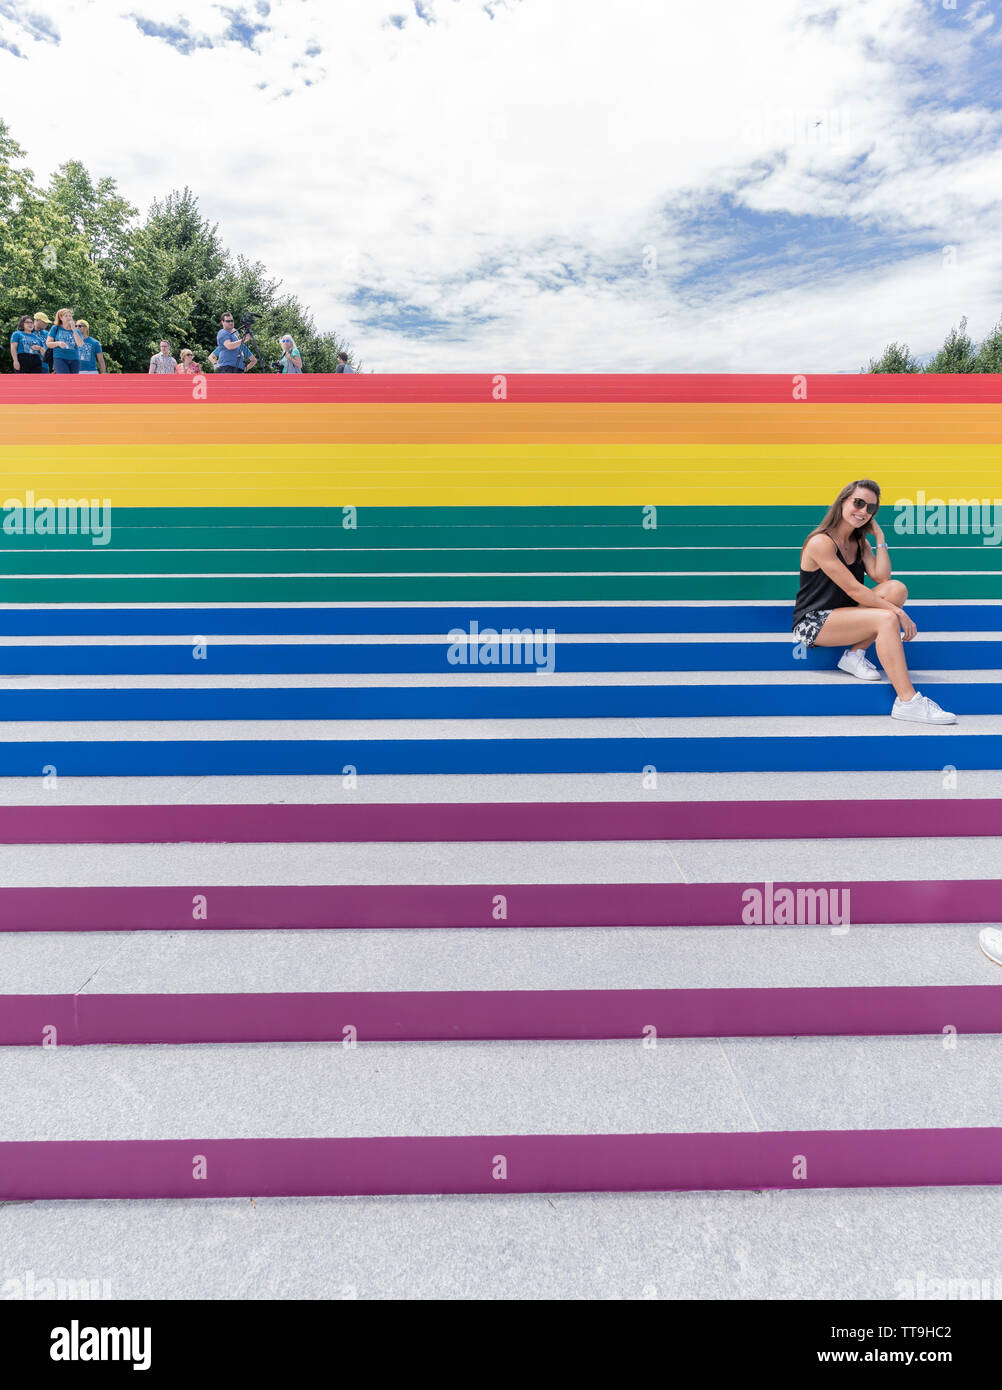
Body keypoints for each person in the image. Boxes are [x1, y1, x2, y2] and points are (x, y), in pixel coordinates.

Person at [791, 479, 955, 724]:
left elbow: (882, 576)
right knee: (887, 616)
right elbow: (855, 589)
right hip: (813, 623)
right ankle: (907, 701)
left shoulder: (859, 542)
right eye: (858, 503)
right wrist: (898, 614)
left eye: (871, 508)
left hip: (844, 614)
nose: (863, 511)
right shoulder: (820, 542)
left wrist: (879, 535)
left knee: (896, 589)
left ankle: (854, 655)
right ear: (842, 501)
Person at [46, 308, 84, 374]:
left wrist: (74, 330)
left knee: (73, 382)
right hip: (60, 358)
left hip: (74, 359)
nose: (69, 318)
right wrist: (58, 343)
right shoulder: (55, 328)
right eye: (66, 316)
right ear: (61, 318)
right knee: (64, 379)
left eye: (70, 316)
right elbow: (48, 344)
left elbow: (80, 344)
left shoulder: (76, 330)